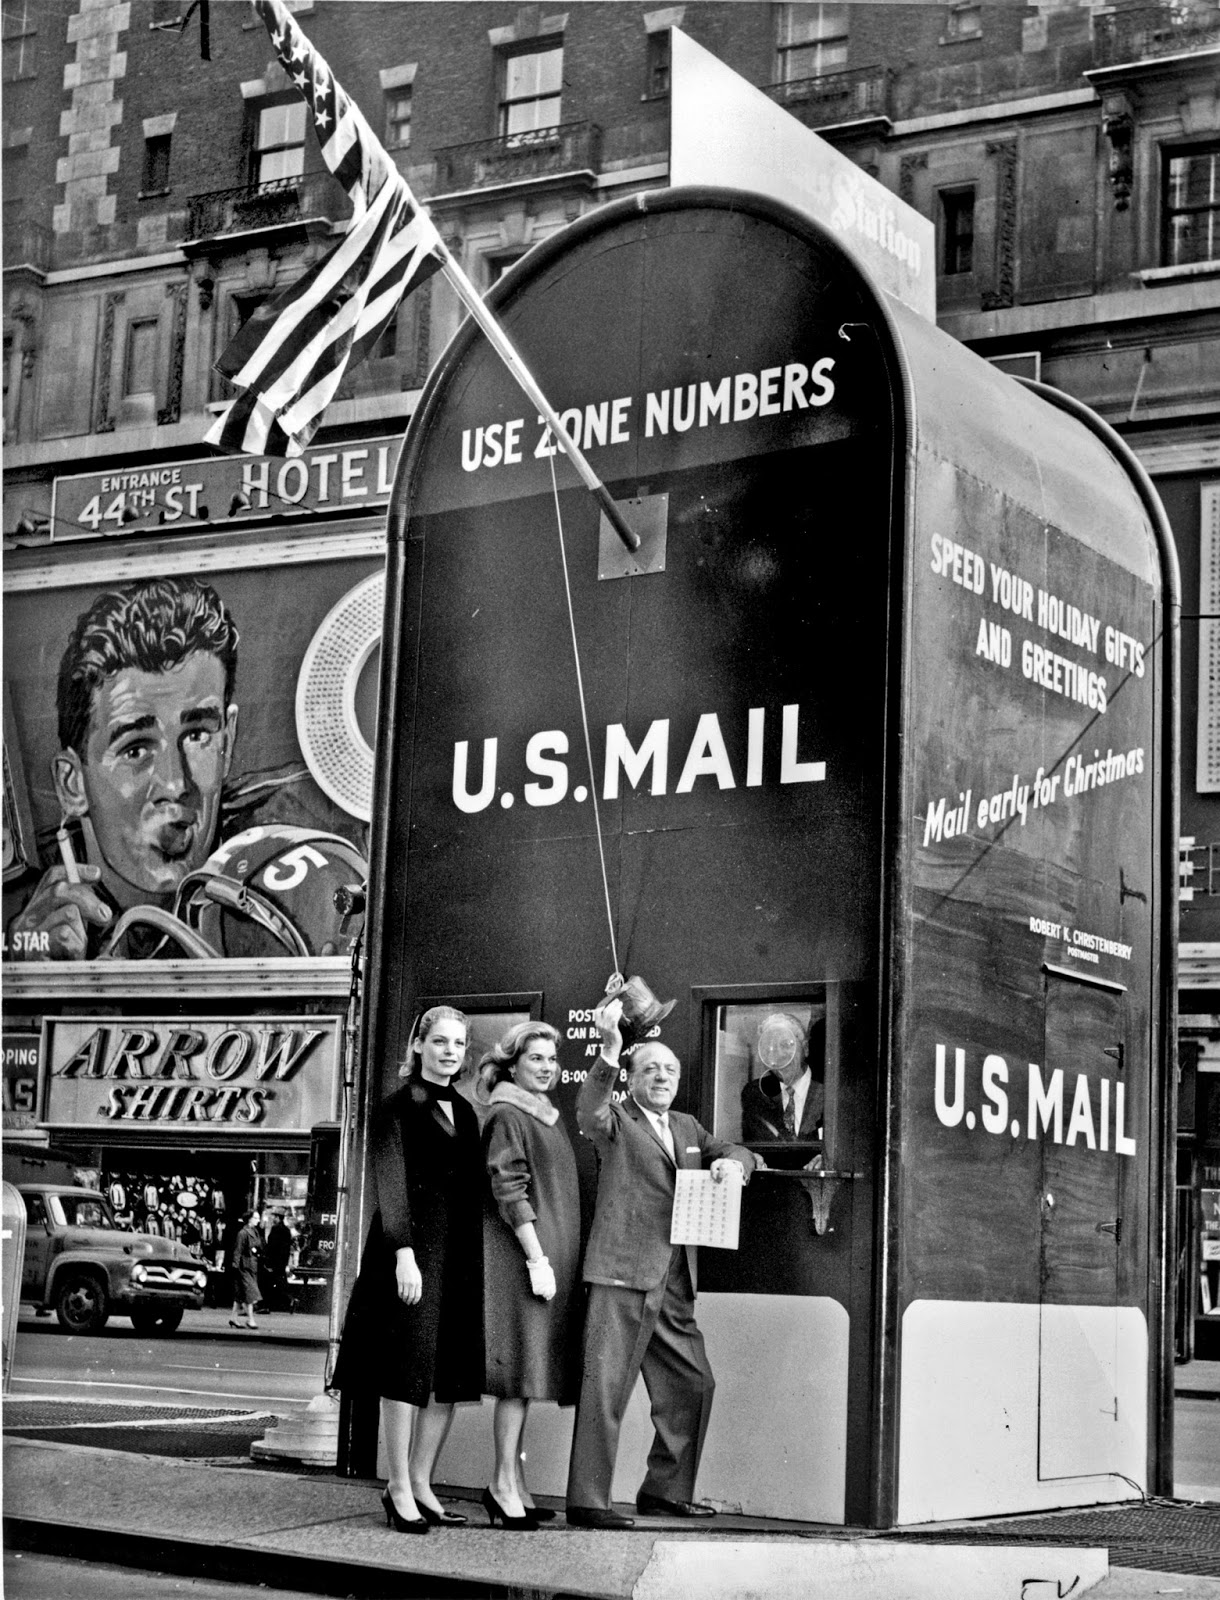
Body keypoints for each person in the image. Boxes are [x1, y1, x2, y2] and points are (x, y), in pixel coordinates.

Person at [565, 1000, 757, 1530]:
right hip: (622, 1273)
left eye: (670, 1070)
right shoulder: (616, 1120)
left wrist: (731, 1166)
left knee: (694, 1384)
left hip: (674, 1278)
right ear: (629, 1078)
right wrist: (607, 1052)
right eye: (650, 1068)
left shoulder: (688, 1126)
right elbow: (589, 1110)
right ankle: (587, 1502)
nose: (662, 1077)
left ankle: (665, 1492)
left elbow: (741, 1152)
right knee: (605, 1389)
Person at [331, 1007, 484, 1535]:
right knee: (405, 1369)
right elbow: (390, 1185)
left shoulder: (466, 1111)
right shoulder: (396, 1106)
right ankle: (397, 1487)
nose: (449, 1051)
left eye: (459, 1044)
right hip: (411, 1255)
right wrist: (403, 1253)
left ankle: (422, 1482)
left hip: (457, 1257)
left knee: (447, 1375)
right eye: (439, 1041)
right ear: (418, 1045)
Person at [479, 1021, 581, 1530]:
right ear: (512, 1063)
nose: (546, 1067)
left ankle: (513, 1483)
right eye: (536, 1058)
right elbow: (509, 1189)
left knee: (529, 1377)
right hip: (524, 1264)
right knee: (517, 1376)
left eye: (551, 1060)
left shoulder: (542, 1115)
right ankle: (501, 1483)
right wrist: (537, 1258)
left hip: (545, 1265)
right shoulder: (507, 1114)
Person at [739, 1009, 826, 1169]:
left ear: (805, 1048)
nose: (778, 1054)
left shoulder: (829, 1091)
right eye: (769, 1048)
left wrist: (827, 1160)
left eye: (786, 1045)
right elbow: (750, 1148)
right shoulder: (755, 1093)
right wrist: (751, 1158)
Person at [230, 1209, 262, 1330]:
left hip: (251, 1266)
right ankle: (251, 1320)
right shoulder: (243, 1233)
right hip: (244, 1266)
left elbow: (258, 1247)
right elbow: (237, 1250)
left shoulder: (255, 1232)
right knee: (250, 1293)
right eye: (255, 1218)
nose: (258, 1220)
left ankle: (233, 1318)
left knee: (241, 1294)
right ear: (249, 1219)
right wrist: (235, 1264)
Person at [263, 1209, 294, 1312]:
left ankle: (268, 1306)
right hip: (282, 1261)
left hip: (274, 1261)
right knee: (280, 1282)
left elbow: (272, 1246)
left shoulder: (276, 1229)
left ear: (278, 1218)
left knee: (271, 1283)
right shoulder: (287, 1230)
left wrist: (268, 1259)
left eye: (274, 1217)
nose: (273, 1219)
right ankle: (290, 1300)